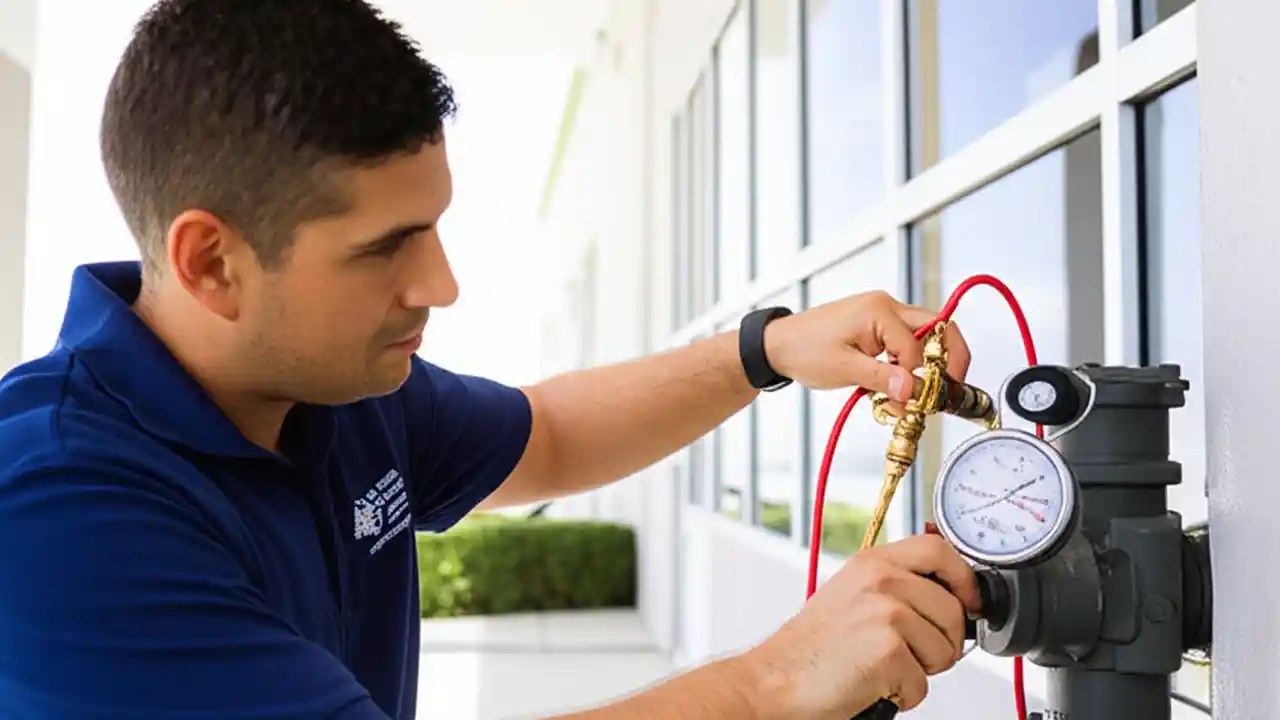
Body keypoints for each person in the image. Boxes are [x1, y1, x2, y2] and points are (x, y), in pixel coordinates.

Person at [0, 1, 982, 718]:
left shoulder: (331, 390)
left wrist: (764, 351)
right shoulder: (55, 512)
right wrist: (772, 682)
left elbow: (545, 435)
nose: (441, 282)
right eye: (386, 246)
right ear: (211, 261)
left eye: (432, 226)